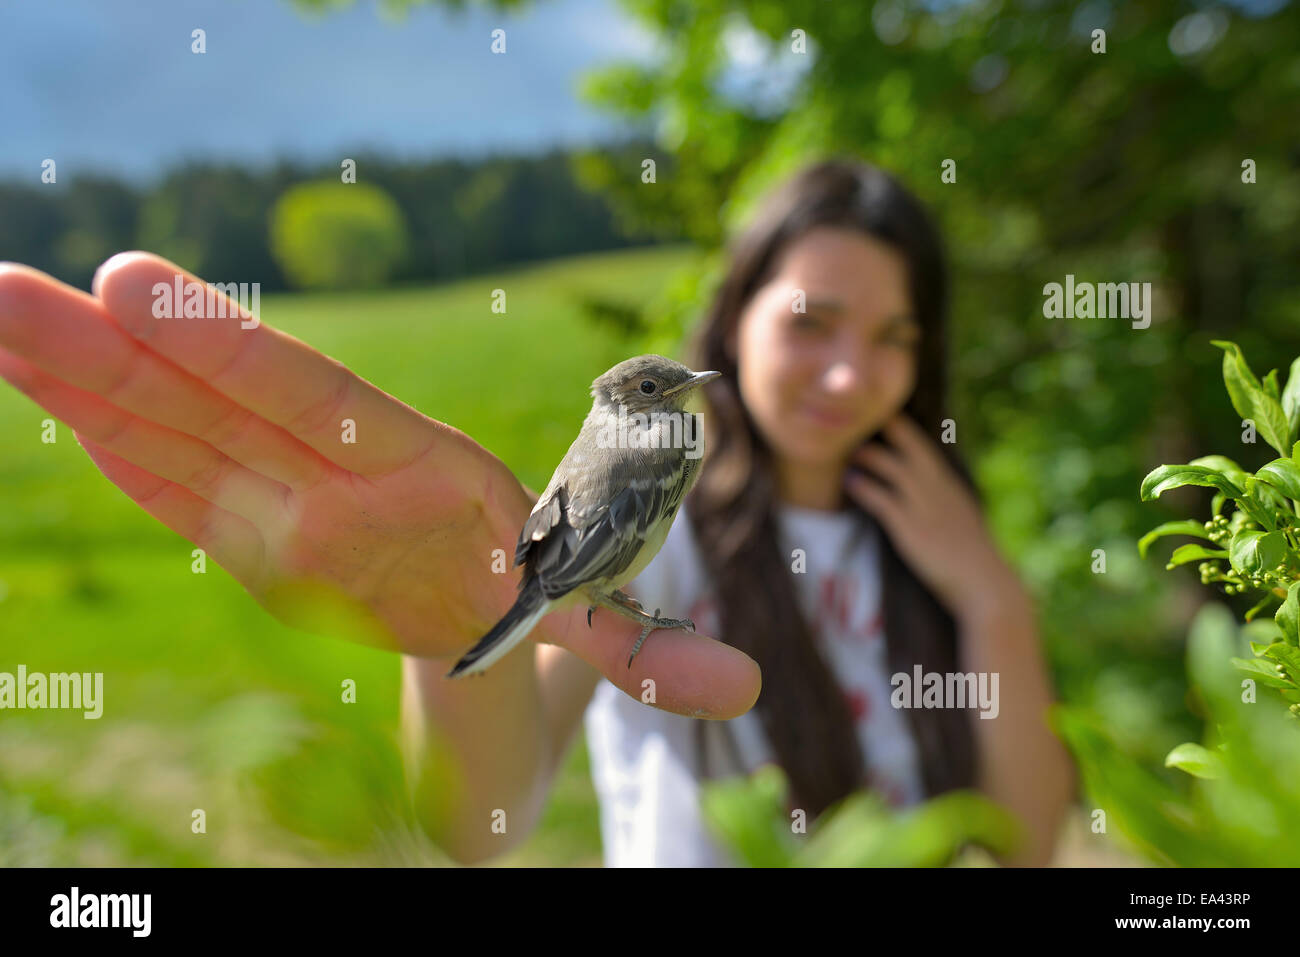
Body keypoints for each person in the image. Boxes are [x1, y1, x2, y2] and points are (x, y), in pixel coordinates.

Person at [0, 156, 1073, 868]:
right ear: (732, 325)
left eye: (892, 336)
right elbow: (482, 821)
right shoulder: (681, 529)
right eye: (812, 323)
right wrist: (455, 621)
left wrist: (991, 600)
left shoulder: (939, 538)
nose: (848, 374)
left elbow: (1027, 843)